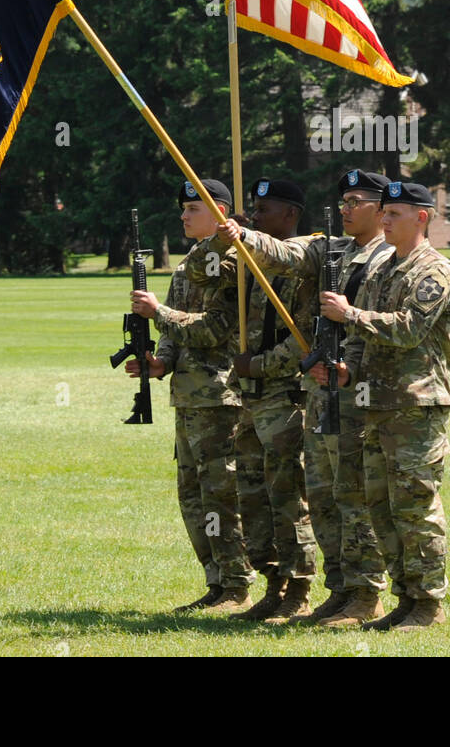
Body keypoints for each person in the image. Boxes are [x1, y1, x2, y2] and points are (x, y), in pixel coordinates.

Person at [215, 168, 393, 627]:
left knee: (355, 495)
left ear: (381, 207)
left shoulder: (389, 258)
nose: (347, 209)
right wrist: (247, 236)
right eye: (344, 201)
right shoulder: (330, 249)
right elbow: (289, 254)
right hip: (320, 392)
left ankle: (365, 593)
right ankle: (339, 589)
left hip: (361, 392)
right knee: (325, 494)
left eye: (357, 201)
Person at [316, 181, 450, 631]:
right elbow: (362, 343)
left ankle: (428, 603)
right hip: (376, 405)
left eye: (395, 214)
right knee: (380, 507)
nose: (384, 220)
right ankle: (404, 598)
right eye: (384, 213)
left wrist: (350, 314)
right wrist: (346, 371)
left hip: (416, 407)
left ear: (422, 217)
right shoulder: (383, 271)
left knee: (415, 508)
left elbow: (408, 330)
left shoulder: (434, 270)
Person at [183, 177, 317, 622]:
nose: (256, 216)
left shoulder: (306, 257)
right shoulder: (245, 254)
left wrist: (257, 367)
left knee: (287, 495)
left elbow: (304, 341)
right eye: (253, 210)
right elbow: (198, 274)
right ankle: (272, 583)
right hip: (250, 399)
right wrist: (227, 237)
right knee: (253, 494)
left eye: (265, 211)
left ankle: (299, 590)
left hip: (285, 396)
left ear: (290, 215)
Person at [127, 178, 253, 614]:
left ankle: (237, 584)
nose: (183, 216)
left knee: (221, 493)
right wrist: (160, 363)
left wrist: (157, 312)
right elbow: (175, 335)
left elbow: (216, 328)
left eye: (193, 209)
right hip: (188, 396)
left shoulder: (230, 262)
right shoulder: (187, 265)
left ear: (219, 212)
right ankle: (216, 581)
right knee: (192, 493)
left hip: (220, 396)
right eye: (182, 209)